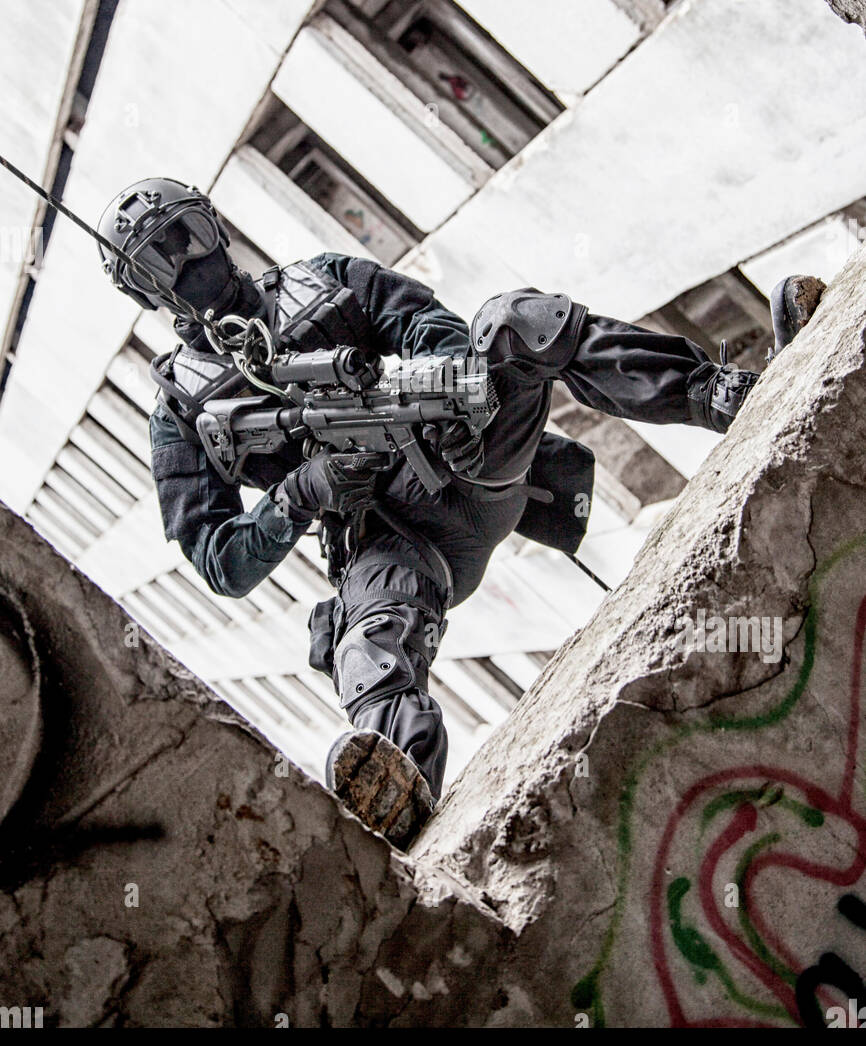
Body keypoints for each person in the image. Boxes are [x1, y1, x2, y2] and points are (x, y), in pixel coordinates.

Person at [97, 178, 824, 847]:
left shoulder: (327, 279)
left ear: (212, 222)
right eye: (160, 259)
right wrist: (304, 491)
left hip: (470, 464)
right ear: (145, 291)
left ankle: (729, 396)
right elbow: (221, 560)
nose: (187, 258)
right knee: (367, 649)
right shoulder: (185, 408)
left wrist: (430, 389)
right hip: (396, 539)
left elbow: (429, 324)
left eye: (186, 232)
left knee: (517, 322)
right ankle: (402, 791)